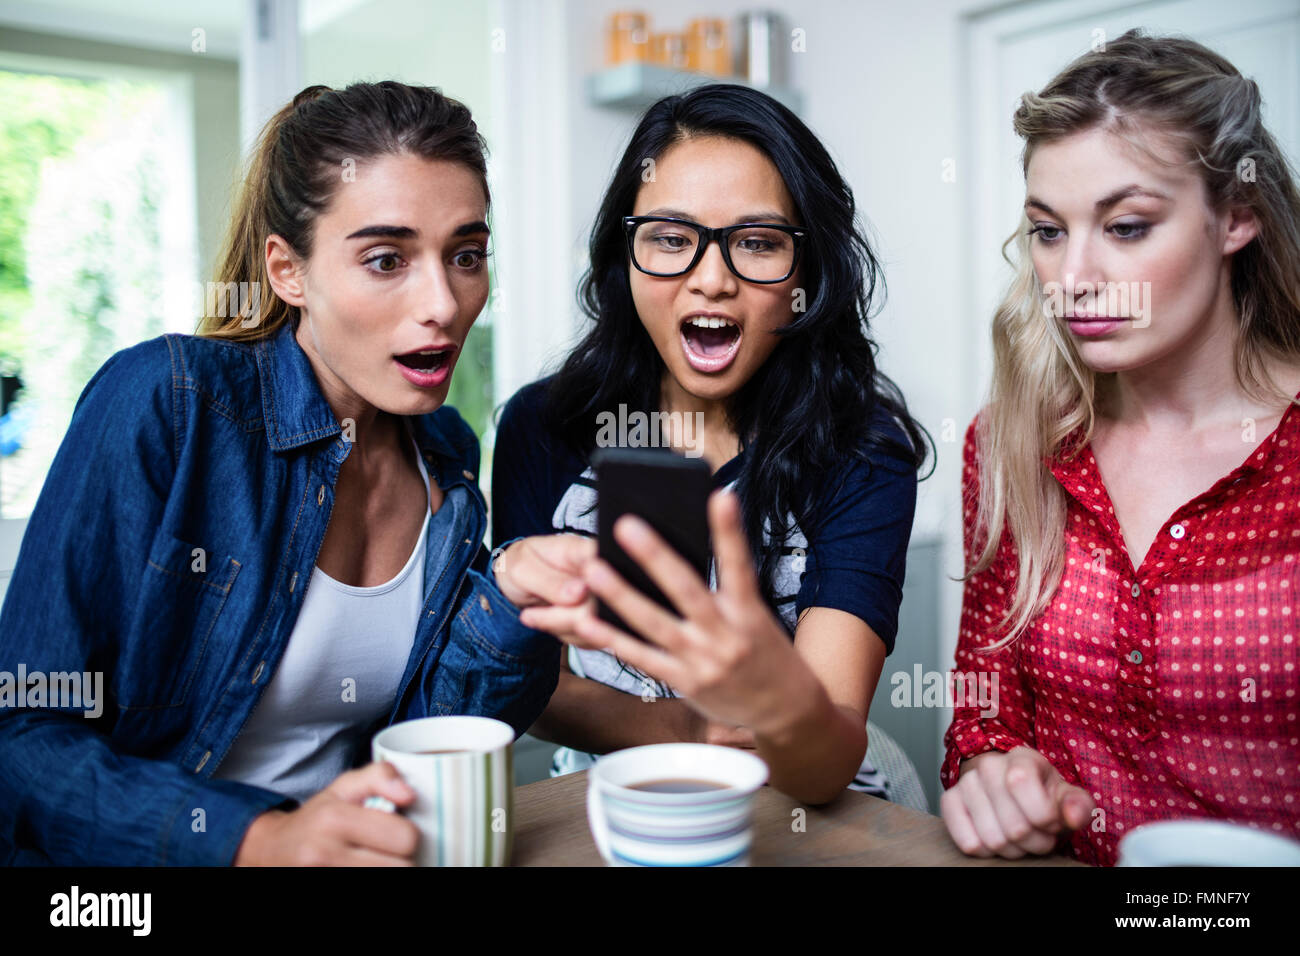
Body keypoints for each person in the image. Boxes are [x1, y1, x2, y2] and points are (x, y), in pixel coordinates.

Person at [0, 81, 591, 866]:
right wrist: (259, 838)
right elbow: (23, 737)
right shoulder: (167, 403)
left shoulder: (445, 454)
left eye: (467, 255)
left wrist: (509, 604)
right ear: (288, 271)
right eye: (386, 259)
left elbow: (426, 734)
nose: (444, 303)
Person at [492, 84, 930, 805]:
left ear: (807, 272)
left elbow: (823, 761)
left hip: (801, 822)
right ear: (624, 253)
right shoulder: (545, 426)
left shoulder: (862, 452)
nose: (711, 279)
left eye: (757, 243)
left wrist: (775, 701)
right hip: (614, 813)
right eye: (670, 238)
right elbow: (530, 685)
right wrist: (683, 724)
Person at [940, 29, 1300, 865]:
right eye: (1048, 231)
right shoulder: (1013, 445)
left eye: (1128, 226)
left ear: (1236, 216)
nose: (1072, 277)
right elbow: (982, 698)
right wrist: (994, 771)